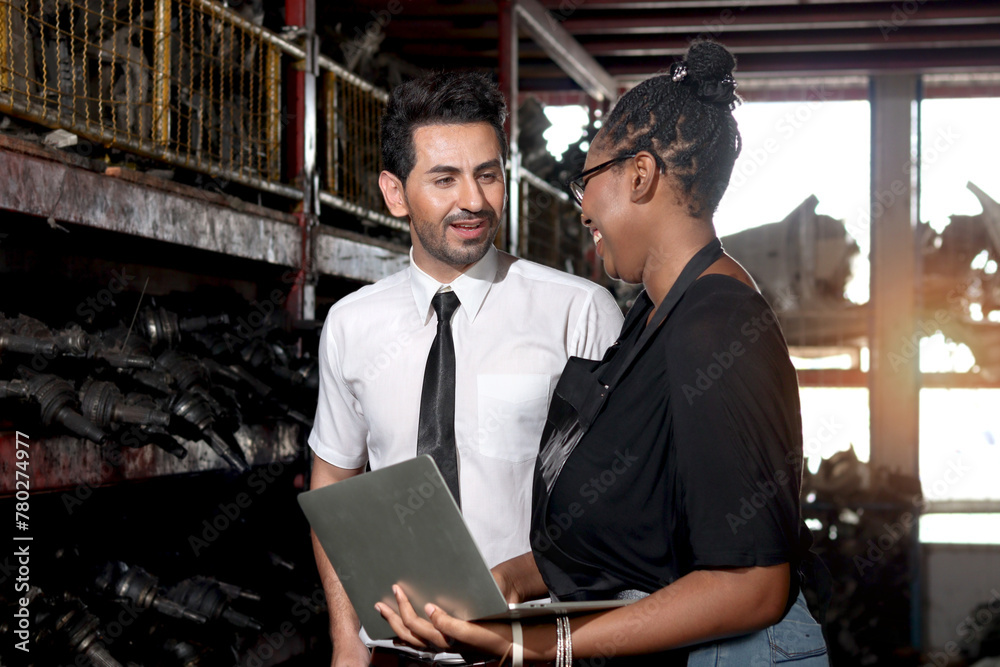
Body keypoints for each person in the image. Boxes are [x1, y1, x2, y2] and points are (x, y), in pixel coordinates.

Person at [376, 41, 829, 666]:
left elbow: (753, 585)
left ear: (639, 175)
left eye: (587, 182)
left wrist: (545, 646)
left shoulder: (716, 325)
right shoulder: (654, 317)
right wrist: (509, 581)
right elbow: (637, 529)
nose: (581, 206)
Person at [307, 70, 624, 667]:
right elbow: (333, 480)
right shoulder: (352, 326)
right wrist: (348, 641)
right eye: (444, 179)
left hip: (538, 650)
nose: (474, 201)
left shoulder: (579, 313)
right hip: (399, 652)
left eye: (488, 174)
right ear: (395, 192)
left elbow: (626, 502)